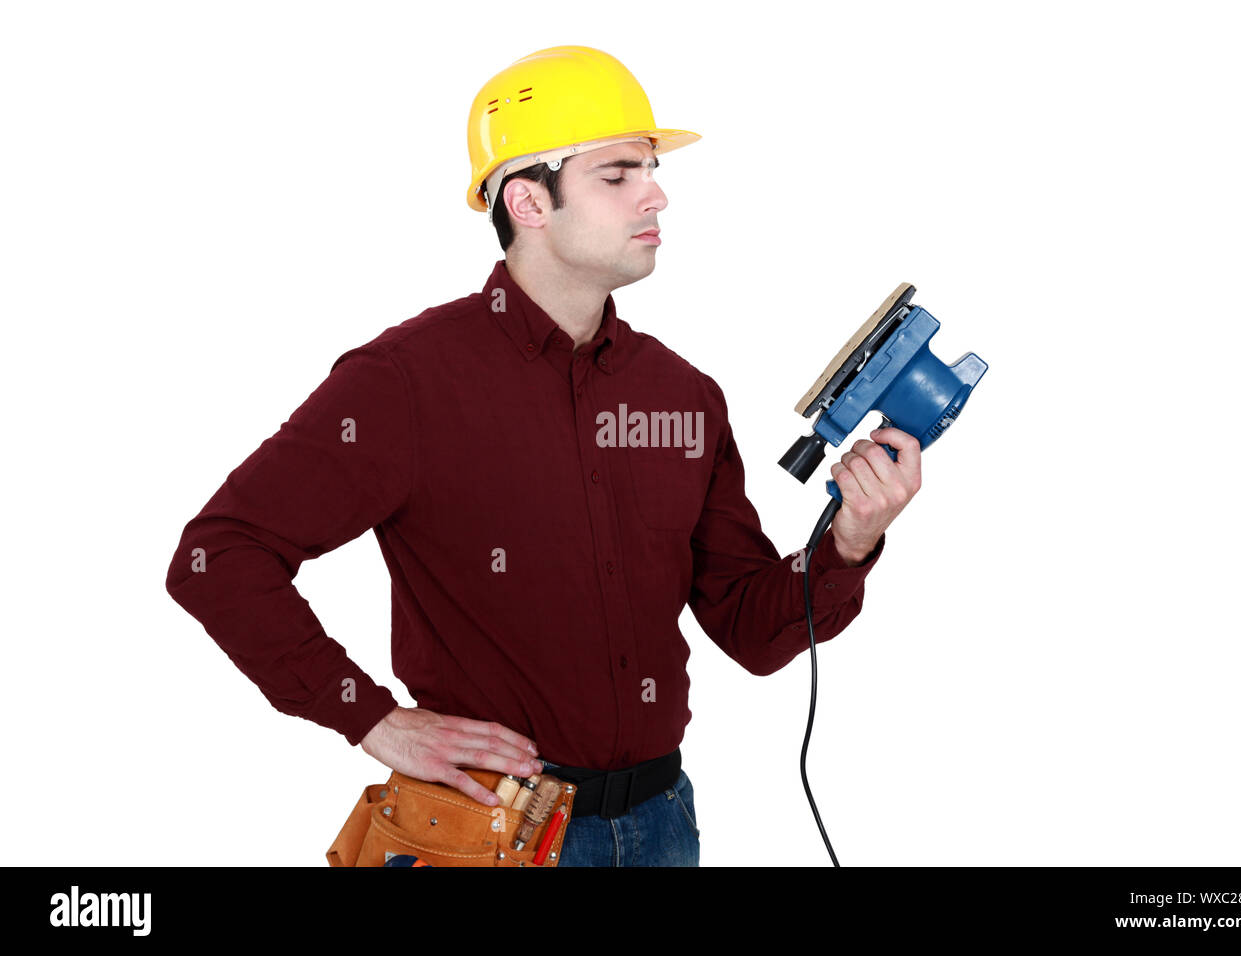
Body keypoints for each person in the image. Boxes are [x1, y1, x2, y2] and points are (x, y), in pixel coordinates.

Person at [165, 45, 921, 867]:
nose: (657, 194)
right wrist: (370, 717)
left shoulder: (682, 397)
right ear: (526, 199)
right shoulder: (405, 383)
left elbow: (751, 630)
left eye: (652, 168)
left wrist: (848, 543)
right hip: (486, 835)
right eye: (618, 174)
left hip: (664, 827)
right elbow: (217, 556)